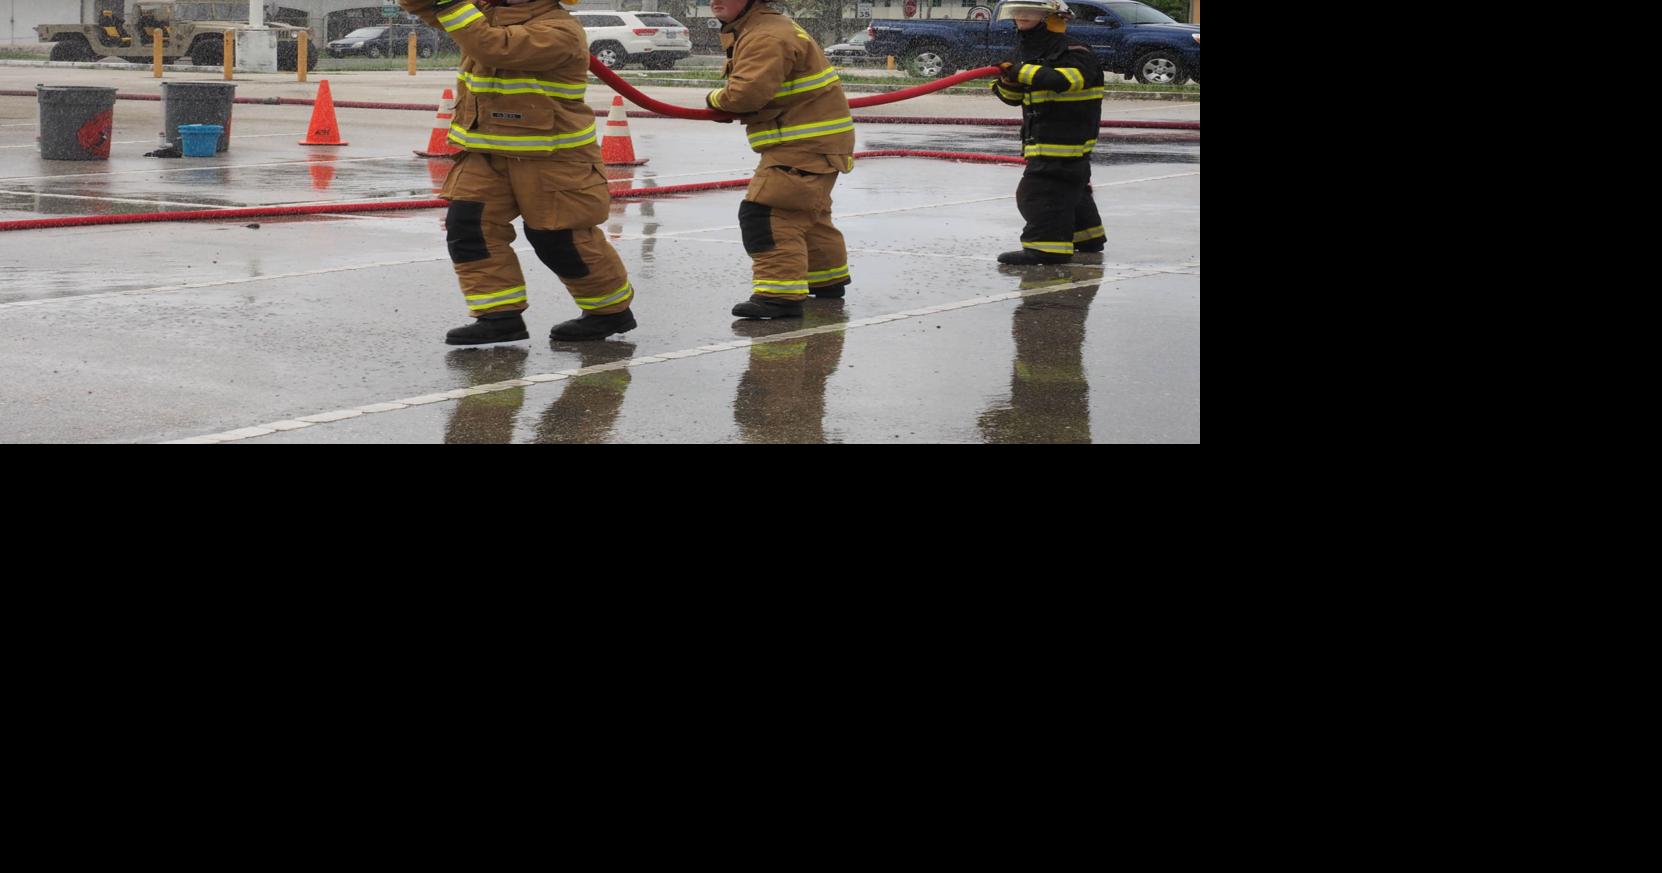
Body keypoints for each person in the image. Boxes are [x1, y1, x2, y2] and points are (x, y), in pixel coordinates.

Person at [399, 0, 640, 344]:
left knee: (560, 239)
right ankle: (499, 317)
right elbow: (434, 11)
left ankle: (609, 311)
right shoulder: (486, 15)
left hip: (552, 158)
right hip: (485, 153)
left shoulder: (560, 30)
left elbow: (496, 47)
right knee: (469, 227)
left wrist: (452, 4)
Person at [704, 0, 855, 320]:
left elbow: (744, 95)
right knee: (807, 215)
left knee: (767, 214)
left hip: (802, 144)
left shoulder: (765, 36)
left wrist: (715, 100)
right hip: (817, 142)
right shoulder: (767, 28)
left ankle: (778, 295)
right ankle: (826, 279)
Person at [991, 0, 1106, 265]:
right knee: (1069, 190)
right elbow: (1013, 97)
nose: (1021, 16)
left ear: (1052, 18)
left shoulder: (1075, 51)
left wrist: (1021, 71)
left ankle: (1046, 248)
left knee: (1037, 193)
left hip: (1065, 140)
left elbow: (1064, 81)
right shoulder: (1024, 52)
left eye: (1030, 11)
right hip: (1045, 139)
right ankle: (1086, 236)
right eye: (1017, 11)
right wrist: (1008, 81)